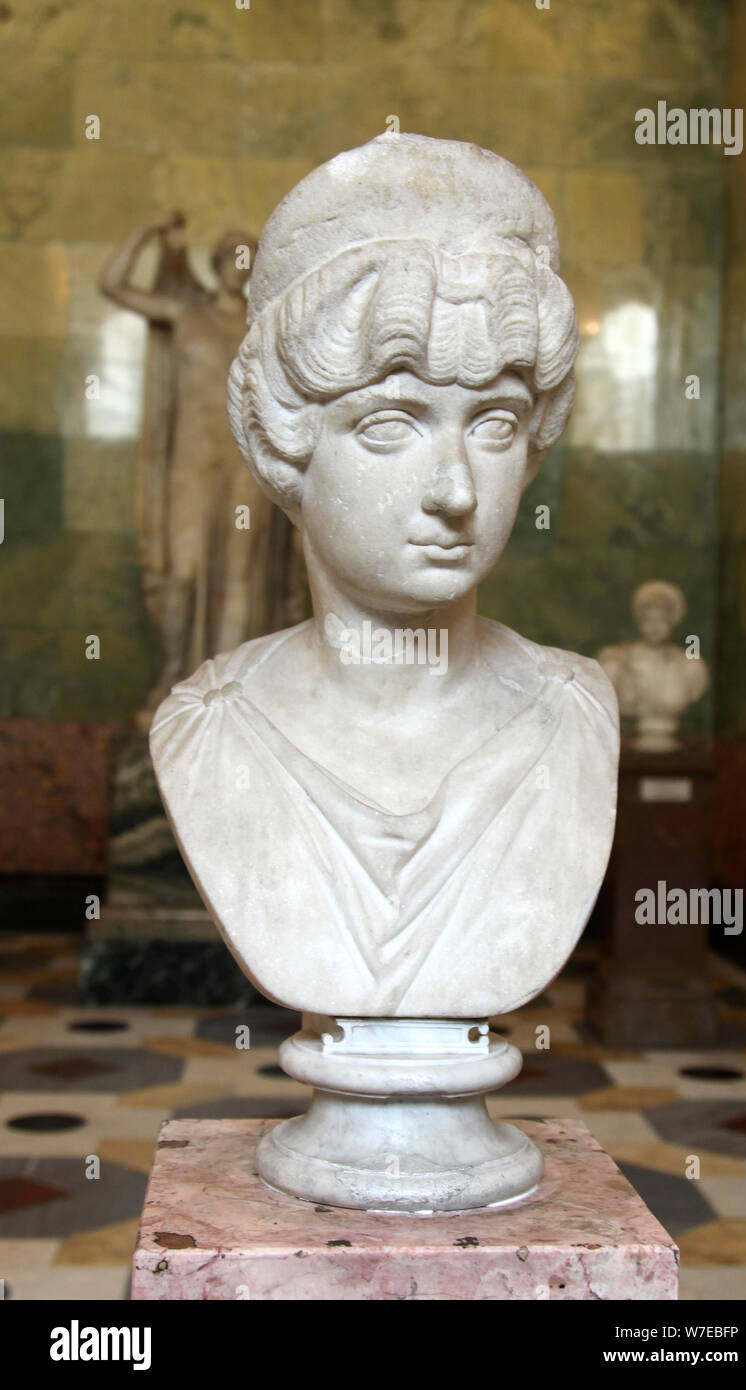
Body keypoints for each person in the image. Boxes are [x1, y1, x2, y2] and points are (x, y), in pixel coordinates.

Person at [150, 135, 619, 1018]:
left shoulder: (576, 712)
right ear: (286, 445)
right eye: (390, 425)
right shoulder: (209, 730)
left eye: (494, 424)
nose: (455, 491)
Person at [101, 213, 304, 728]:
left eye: (249, 257)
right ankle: (175, 674)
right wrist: (147, 230)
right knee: (182, 574)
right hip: (189, 472)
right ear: (214, 266)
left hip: (246, 469)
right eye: (231, 255)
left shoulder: (267, 332)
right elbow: (113, 284)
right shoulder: (183, 313)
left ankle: (229, 690)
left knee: (241, 575)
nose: (239, 265)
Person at [598, 579, 710, 751]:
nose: (655, 627)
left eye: (662, 620)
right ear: (639, 621)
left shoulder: (691, 665)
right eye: (648, 620)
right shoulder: (617, 661)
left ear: (673, 622)